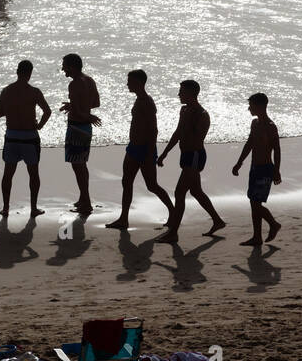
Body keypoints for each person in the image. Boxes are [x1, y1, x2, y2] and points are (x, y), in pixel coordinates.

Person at [155, 80, 225, 243]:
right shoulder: (184, 110)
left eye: (182, 91)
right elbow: (178, 132)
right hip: (186, 156)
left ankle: (173, 233)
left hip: (194, 156)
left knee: (180, 192)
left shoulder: (202, 114)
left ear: (192, 94)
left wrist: (188, 130)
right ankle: (217, 221)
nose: (179, 94)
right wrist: (164, 153)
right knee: (196, 191)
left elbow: (196, 141)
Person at [106, 69, 174, 229]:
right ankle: (123, 219)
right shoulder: (139, 100)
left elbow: (153, 129)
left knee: (152, 185)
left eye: (130, 81)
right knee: (126, 181)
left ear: (139, 82)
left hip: (145, 149)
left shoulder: (147, 102)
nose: (127, 84)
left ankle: (173, 211)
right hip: (133, 148)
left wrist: (150, 153)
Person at [0, 60, 53, 216]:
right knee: (33, 174)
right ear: (30, 73)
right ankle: (33, 208)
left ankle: (6, 208)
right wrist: (39, 125)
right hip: (29, 137)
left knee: (8, 173)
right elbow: (47, 111)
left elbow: (0, 113)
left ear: (17, 71)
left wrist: (13, 109)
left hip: (12, 136)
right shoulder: (34, 92)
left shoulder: (6, 91)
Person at [231, 92, 281, 246]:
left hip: (266, 169)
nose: (248, 108)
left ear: (259, 106)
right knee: (254, 202)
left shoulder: (270, 127)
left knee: (255, 203)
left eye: (251, 105)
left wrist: (276, 170)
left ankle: (273, 224)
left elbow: (277, 150)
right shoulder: (255, 123)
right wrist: (239, 162)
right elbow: (249, 144)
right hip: (254, 168)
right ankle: (257, 237)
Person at [60, 53, 102, 214]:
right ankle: (84, 198)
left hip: (76, 127)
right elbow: (95, 103)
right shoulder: (89, 80)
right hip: (85, 129)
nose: (63, 68)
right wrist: (80, 108)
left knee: (78, 167)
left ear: (72, 66)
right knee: (81, 165)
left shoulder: (74, 84)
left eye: (65, 65)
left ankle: (86, 202)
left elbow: (79, 111)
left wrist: (78, 109)